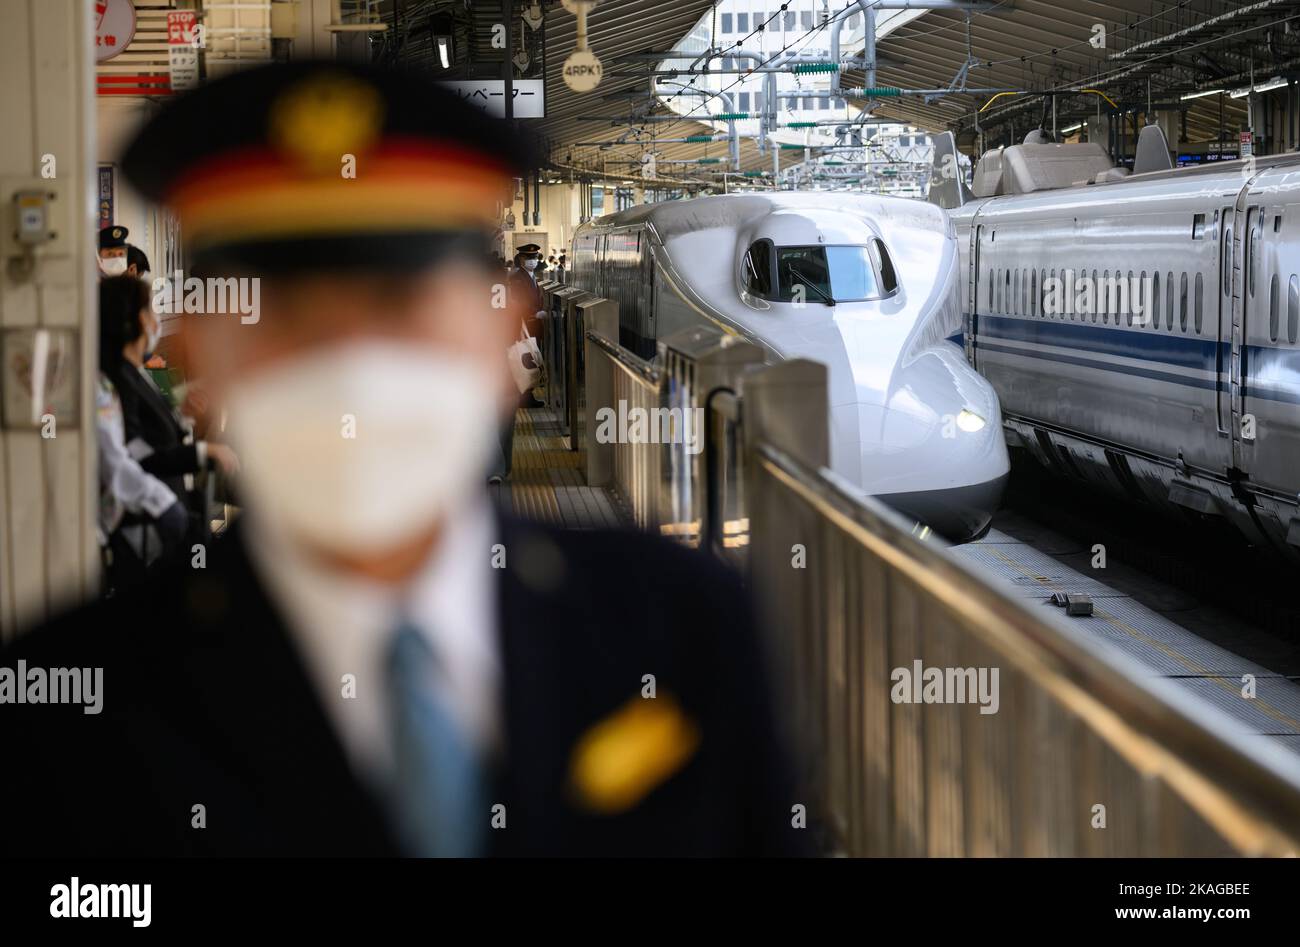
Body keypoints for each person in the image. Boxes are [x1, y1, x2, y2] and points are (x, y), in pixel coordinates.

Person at [0, 60, 804, 858]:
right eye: (285, 312)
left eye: (399, 302)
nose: (351, 364)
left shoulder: (688, 630)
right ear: (199, 347)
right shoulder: (71, 706)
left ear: (502, 327)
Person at [98, 274, 239, 553]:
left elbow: (151, 436)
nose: (156, 318)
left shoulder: (134, 374)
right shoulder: (118, 381)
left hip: (167, 509)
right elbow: (139, 456)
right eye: (150, 307)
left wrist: (182, 417)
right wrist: (202, 452)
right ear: (134, 319)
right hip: (147, 523)